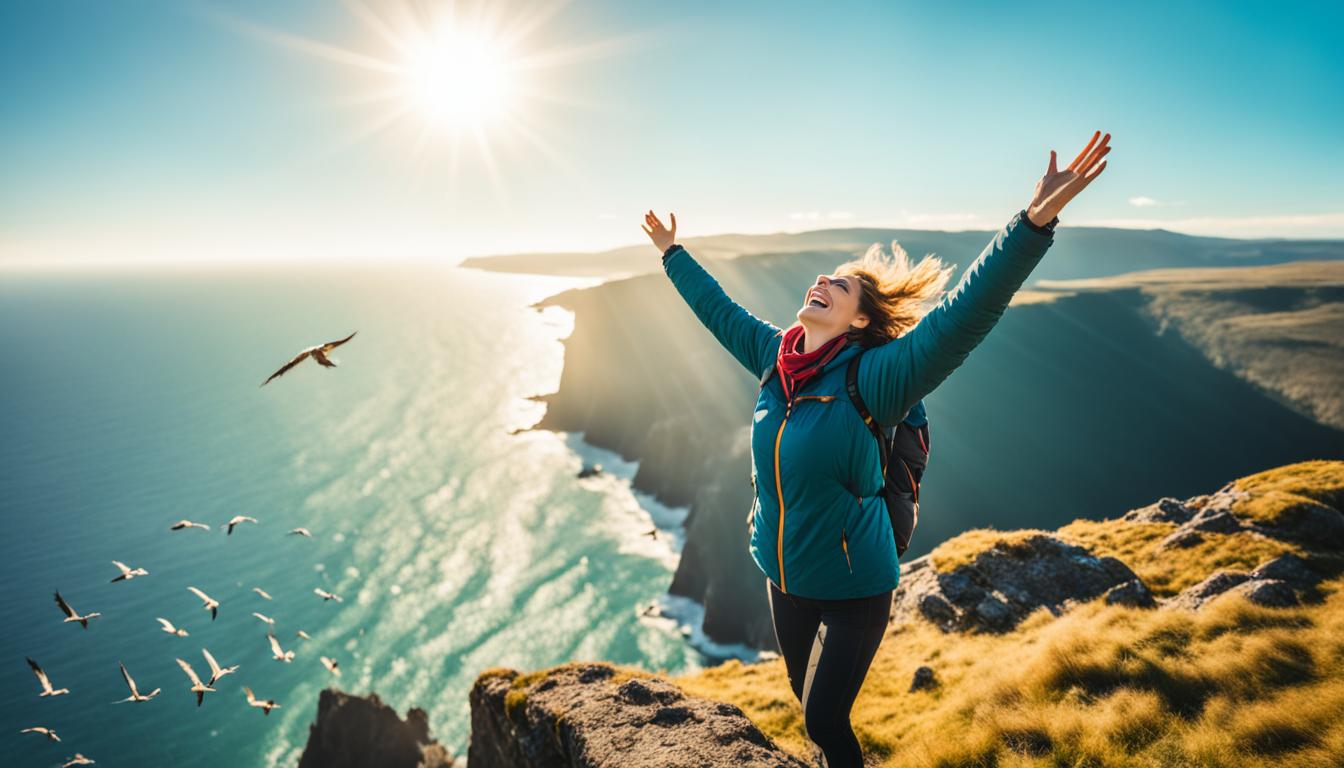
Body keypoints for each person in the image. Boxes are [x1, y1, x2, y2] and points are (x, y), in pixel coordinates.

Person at [640, 131, 1111, 767]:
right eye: (822, 277)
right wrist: (673, 254)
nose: (822, 281)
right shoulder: (773, 360)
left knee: (825, 722)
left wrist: (1031, 224)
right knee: (803, 703)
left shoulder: (877, 379)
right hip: (783, 577)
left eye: (840, 284)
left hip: (856, 583)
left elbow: (963, 315)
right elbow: (718, 311)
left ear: (860, 320)